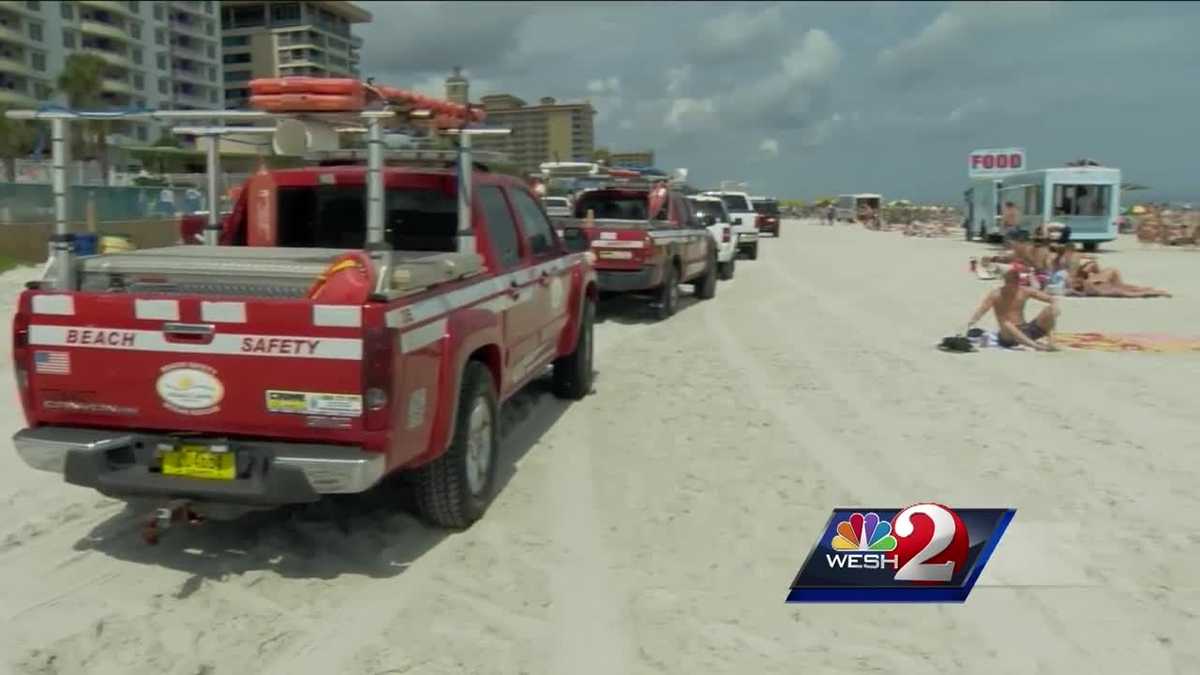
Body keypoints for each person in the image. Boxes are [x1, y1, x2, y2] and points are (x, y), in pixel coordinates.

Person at [965, 265, 1060, 351]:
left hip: (1026, 329)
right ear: (1005, 281)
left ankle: (1052, 342)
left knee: (1050, 310)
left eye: (1015, 281)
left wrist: (1054, 307)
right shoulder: (996, 294)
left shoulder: (1024, 291)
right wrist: (971, 323)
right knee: (1006, 323)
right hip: (1008, 336)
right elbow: (982, 310)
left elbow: (1051, 299)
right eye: (1010, 281)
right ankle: (1036, 346)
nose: (1013, 284)